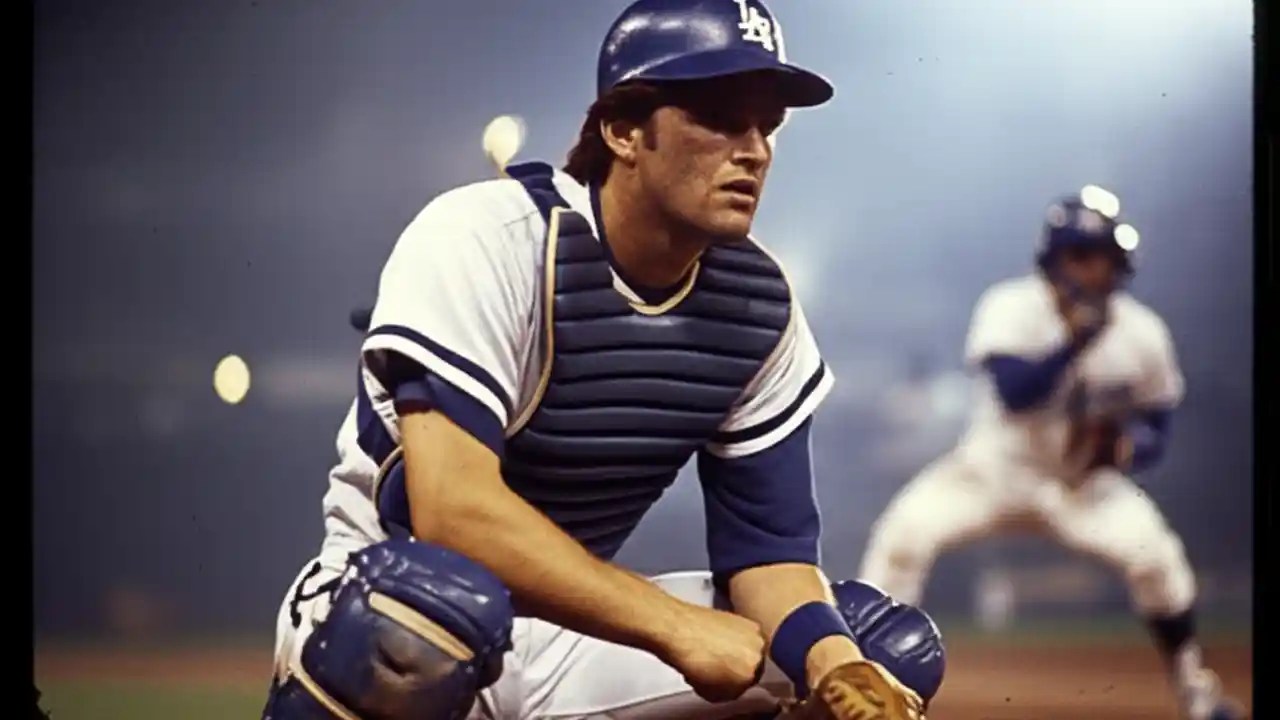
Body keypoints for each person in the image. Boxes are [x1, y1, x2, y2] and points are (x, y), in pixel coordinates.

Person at [261, 1, 946, 718]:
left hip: (563, 635)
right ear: (622, 130)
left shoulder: (758, 307)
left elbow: (769, 553)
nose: (754, 150)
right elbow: (451, 513)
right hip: (384, 605)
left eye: (766, 125)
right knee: (422, 611)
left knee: (872, 644)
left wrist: (839, 669)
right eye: (719, 118)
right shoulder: (489, 238)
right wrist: (674, 626)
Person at [856, 188, 1247, 720]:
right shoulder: (1011, 305)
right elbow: (1017, 392)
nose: (1092, 271)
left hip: (1080, 486)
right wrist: (1074, 342)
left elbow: (1158, 418)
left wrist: (1134, 447)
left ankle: (1196, 695)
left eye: (1102, 258)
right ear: (1054, 260)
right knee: (900, 540)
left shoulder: (1142, 333)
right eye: (1079, 256)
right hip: (990, 472)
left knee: (1161, 564)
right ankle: (864, 685)